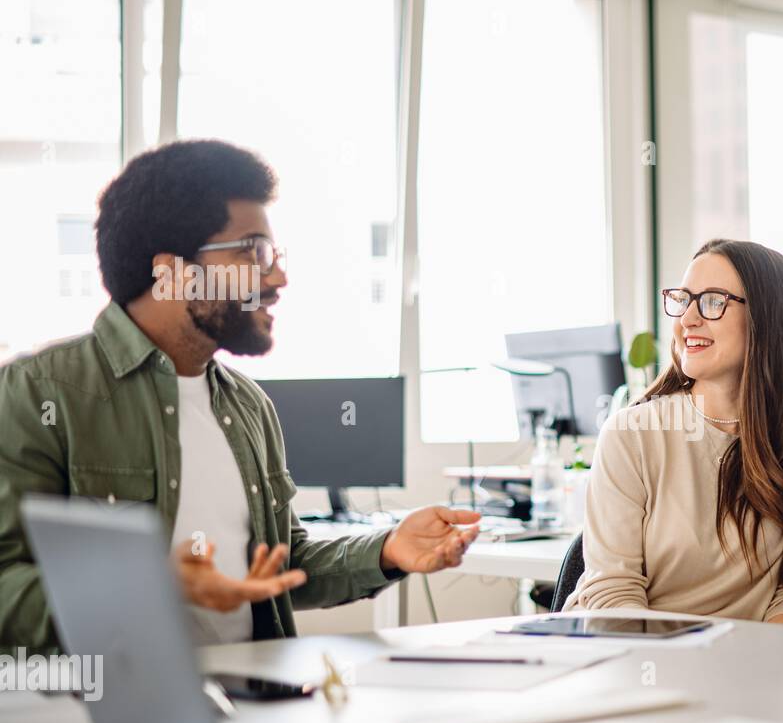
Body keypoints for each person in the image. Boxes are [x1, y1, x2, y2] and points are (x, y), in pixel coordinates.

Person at [0, 139, 479, 652]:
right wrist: (141, 588)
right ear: (170, 271)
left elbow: (280, 565)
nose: (278, 277)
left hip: (250, 700)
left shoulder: (247, 405)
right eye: (253, 252)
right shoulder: (39, 394)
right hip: (104, 716)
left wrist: (387, 549)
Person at [563, 238, 783, 626]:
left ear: (767, 318)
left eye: (713, 301)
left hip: (746, 667)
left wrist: (758, 671)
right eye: (683, 300)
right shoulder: (632, 434)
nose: (687, 320)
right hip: (634, 661)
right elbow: (614, 597)